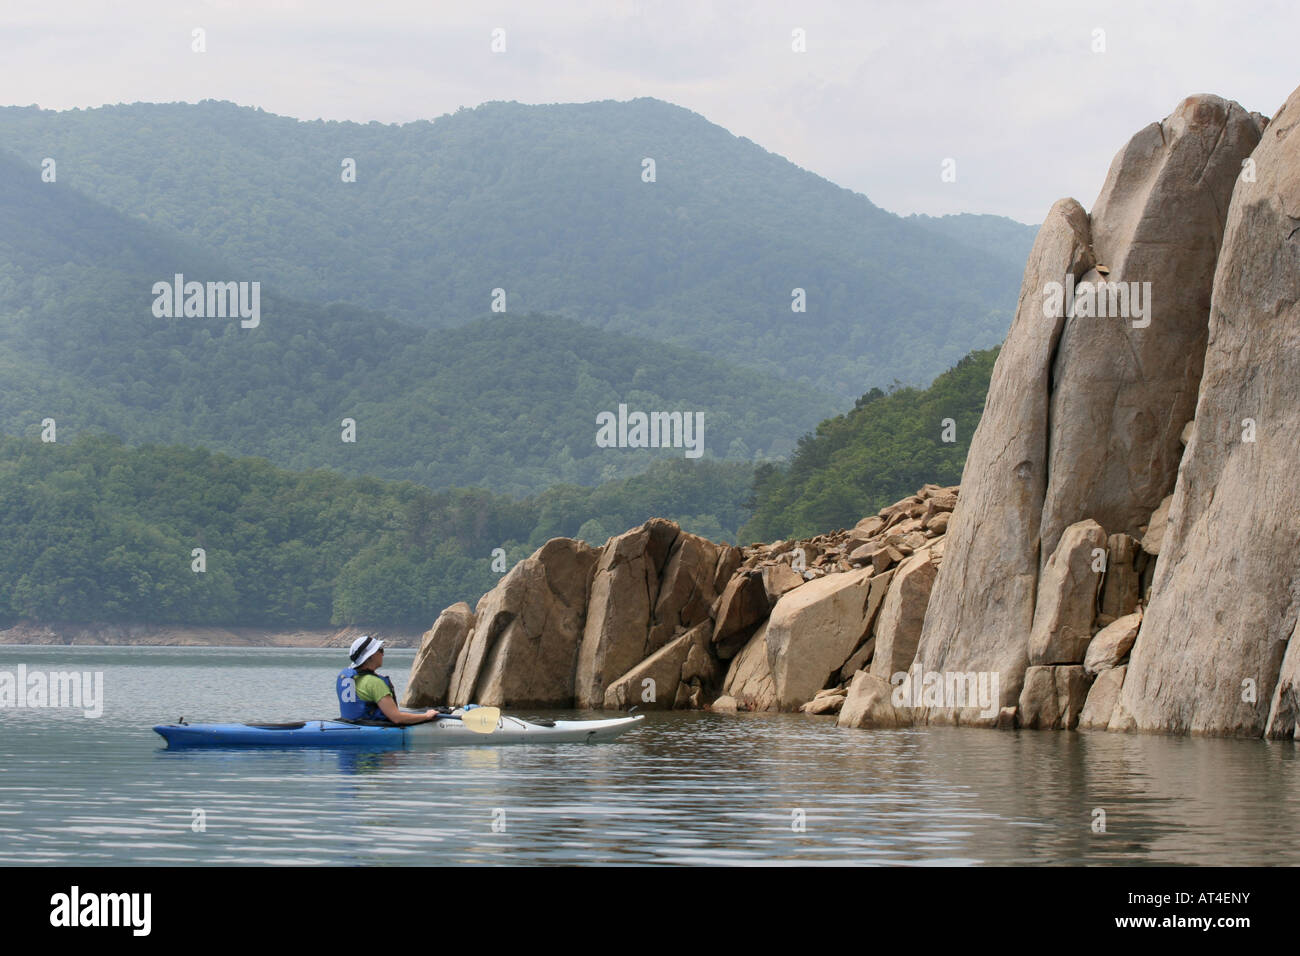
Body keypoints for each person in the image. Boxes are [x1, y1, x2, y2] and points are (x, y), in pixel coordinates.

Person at [337, 634, 440, 724]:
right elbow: (397, 718)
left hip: (350, 724)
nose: (383, 654)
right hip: (371, 729)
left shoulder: (344, 677)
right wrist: (426, 716)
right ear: (371, 656)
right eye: (380, 650)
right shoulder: (374, 683)